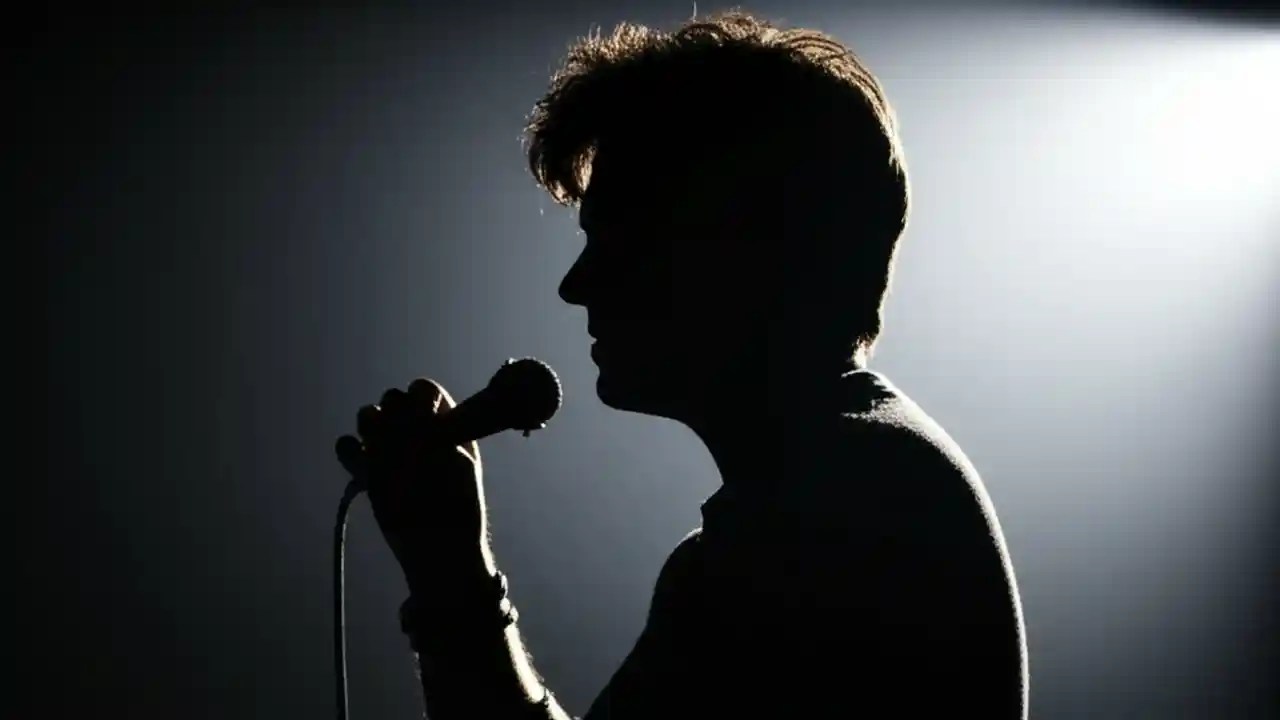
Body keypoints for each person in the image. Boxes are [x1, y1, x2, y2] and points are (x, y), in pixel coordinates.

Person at [336, 9, 1029, 718]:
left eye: (621, 238)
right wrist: (450, 566)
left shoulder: (824, 520)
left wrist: (451, 579)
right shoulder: (860, 483)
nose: (577, 285)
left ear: (749, 246)